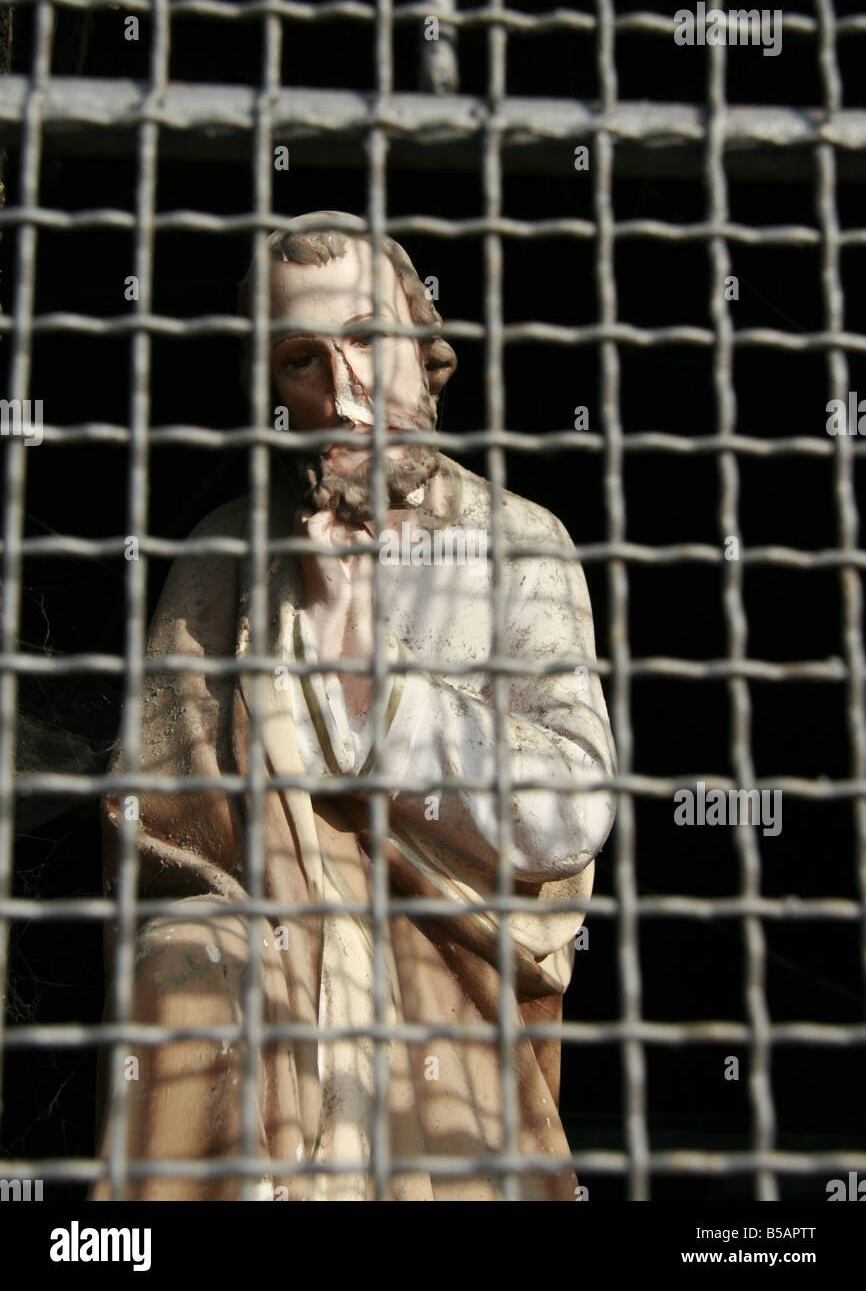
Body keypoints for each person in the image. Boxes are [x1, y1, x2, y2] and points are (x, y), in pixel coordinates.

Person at [92, 211, 617, 1201]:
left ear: (427, 352)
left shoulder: (520, 543)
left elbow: (570, 811)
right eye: (302, 360)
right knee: (185, 968)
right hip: (262, 947)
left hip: (453, 969)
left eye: (372, 342)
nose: (345, 393)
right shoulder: (226, 553)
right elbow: (145, 807)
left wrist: (369, 686)